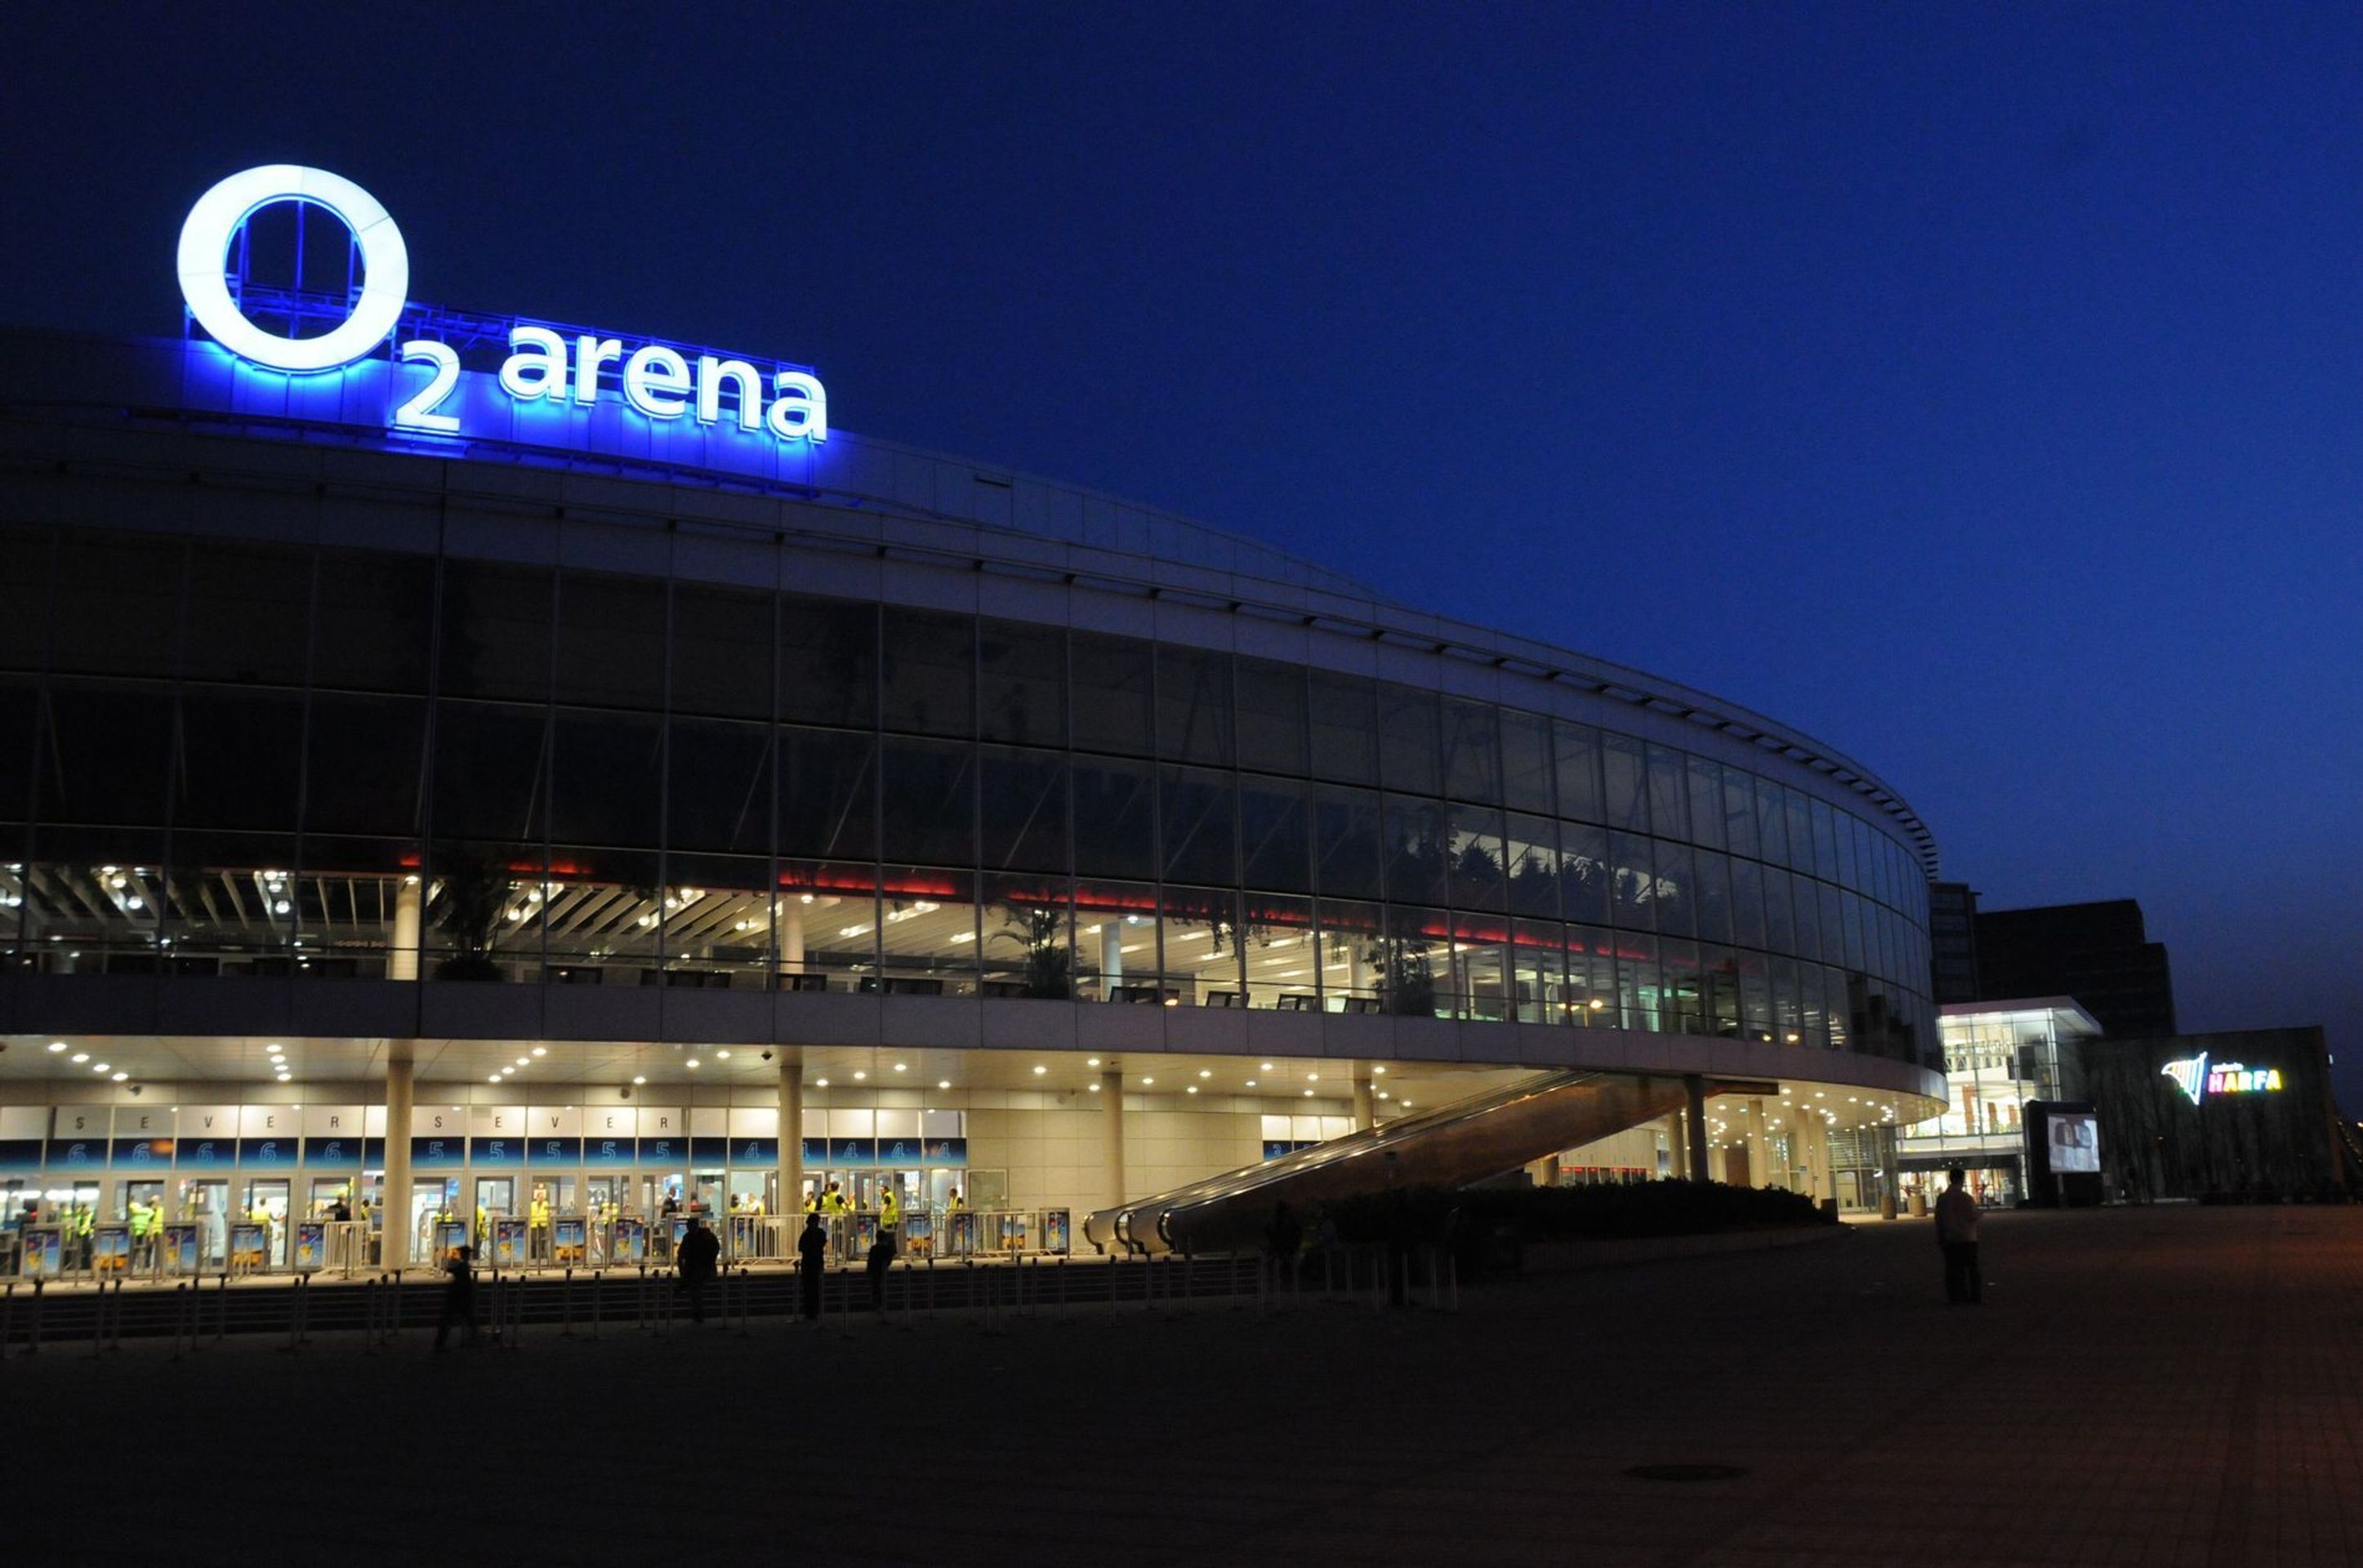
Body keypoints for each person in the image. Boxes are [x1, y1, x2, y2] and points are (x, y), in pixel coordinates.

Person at [1933, 1166, 1982, 1305]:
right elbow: (1972, 1216)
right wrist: (1979, 1215)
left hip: (1950, 1238)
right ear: (1962, 1180)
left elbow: (1939, 1219)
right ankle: (1974, 1297)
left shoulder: (1942, 1198)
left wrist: (1941, 1235)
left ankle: (1955, 1297)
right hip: (1967, 1237)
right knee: (1972, 1269)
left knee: (1952, 1269)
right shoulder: (1965, 1197)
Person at [675, 1215, 721, 1324]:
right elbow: (715, 1248)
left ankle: (698, 1312)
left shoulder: (695, 1237)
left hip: (698, 1268)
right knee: (695, 1290)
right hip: (697, 1268)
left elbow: (681, 1255)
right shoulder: (704, 1236)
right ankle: (698, 1312)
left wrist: (683, 1271)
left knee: (695, 1290)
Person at [435, 1244, 479, 1350]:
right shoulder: (463, 1266)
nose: (469, 1256)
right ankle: (472, 1340)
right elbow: (465, 1282)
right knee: (466, 1319)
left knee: (450, 1320)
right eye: (468, 1254)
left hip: (456, 1296)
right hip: (459, 1297)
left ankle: (440, 1343)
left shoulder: (461, 1265)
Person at [797, 1212, 828, 1321]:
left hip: (807, 1262)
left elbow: (801, 1247)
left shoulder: (805, 1234)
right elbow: (823, 1243)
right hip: (817, 1261)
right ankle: (816, 1311)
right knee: (816, 1287)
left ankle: (809, 1312)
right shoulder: (821, 1233)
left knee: (807, 1288)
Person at [866, 1233, 893, 1312]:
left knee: (876, 1287)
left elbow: (870, 1261)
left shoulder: (874, 1249)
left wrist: (868, 1270)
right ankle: (881, 1304)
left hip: (875, 1270)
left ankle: (877, 1304)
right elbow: (889, 1259)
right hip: (882, 1269)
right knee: (881, 1287)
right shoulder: (887, 1249)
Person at [878, 1183, 902, 1259]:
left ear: (885, 1189)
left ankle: (891, 1254)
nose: (880, 1191)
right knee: (891, 1238)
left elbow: (886, 1206)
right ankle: (893, 1253)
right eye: (880, 1190)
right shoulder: (891, 1195)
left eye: (882, 1190)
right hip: (892, 1220)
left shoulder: (887, 1196)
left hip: (889, 1220)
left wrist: (881, 1213)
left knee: (889, 1238)